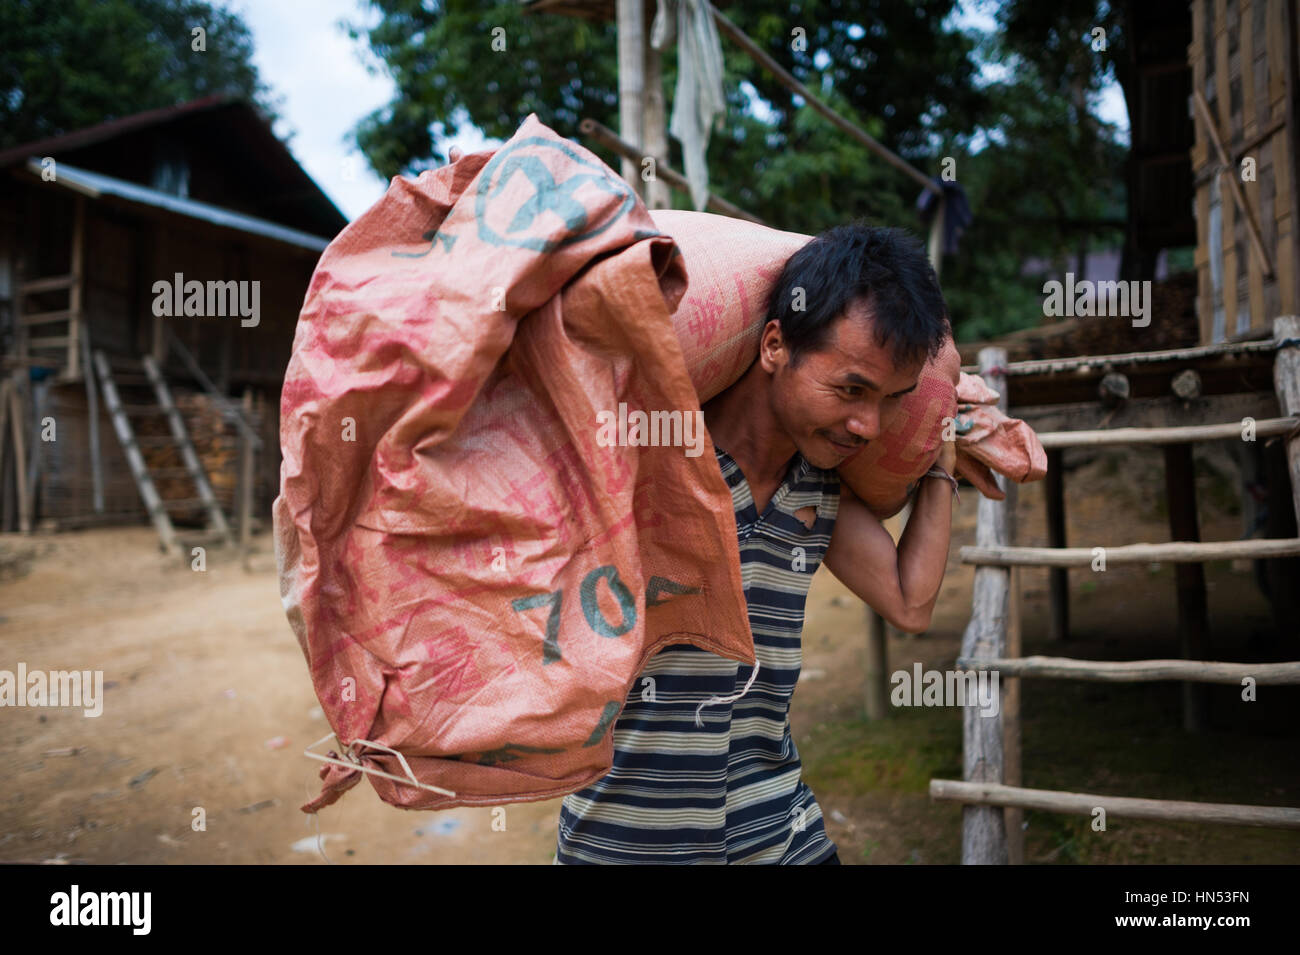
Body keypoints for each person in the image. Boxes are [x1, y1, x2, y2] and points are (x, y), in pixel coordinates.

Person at [553, 221, 957, 865]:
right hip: (626, 840)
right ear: (775, 344)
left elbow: (911, 603)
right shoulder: (651, 459)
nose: (868, 425)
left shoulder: (819, 487)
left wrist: (942, 455)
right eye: (851, 389)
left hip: (779, 832)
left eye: (890, 401)